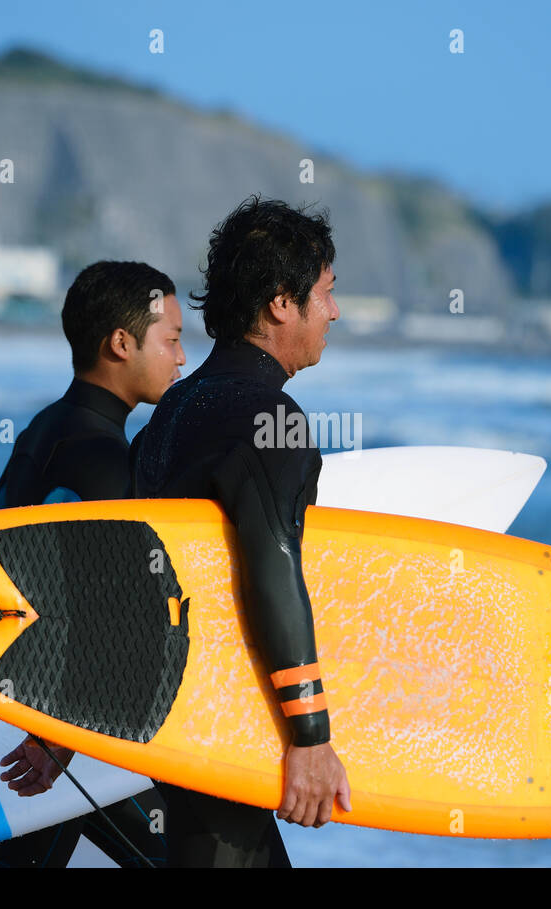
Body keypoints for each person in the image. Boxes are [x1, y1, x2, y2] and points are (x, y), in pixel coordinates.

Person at [0, 260, 187, 868]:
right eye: (173, 339)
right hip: (47, 719)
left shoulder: (51, 429)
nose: (183, 359)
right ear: (121, 344)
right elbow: (116, 608)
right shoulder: (101, 459)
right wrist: (59, 737)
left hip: (4, 690)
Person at [130, 196, 351, 867]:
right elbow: (272, 564)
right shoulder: (271, 419)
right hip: (222, 728)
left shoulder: (169, 414)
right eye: (326, 292)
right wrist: (310, 735)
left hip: (161, 724)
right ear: (282, 302)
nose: (334, 313)